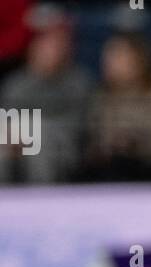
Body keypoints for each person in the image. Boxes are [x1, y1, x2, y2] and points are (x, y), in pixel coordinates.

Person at [0, 8, 90, 185]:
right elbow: (7, 122)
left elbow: (79, 126)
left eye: (56, 42)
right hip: (20, 142)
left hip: (64, 146)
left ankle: (42, 203)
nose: (50, 48)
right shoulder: (16, 84)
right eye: (43, 42)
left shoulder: (79, 82)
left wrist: (34, 131)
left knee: (39, 141)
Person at [85, 32, 151, 183]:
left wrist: (133, 142)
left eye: (118, 56)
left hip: (150, 172)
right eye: (107, 57)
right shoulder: (99, 98)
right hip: (107, 173)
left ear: (139, 60)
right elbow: (93, 141)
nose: (109, 63)